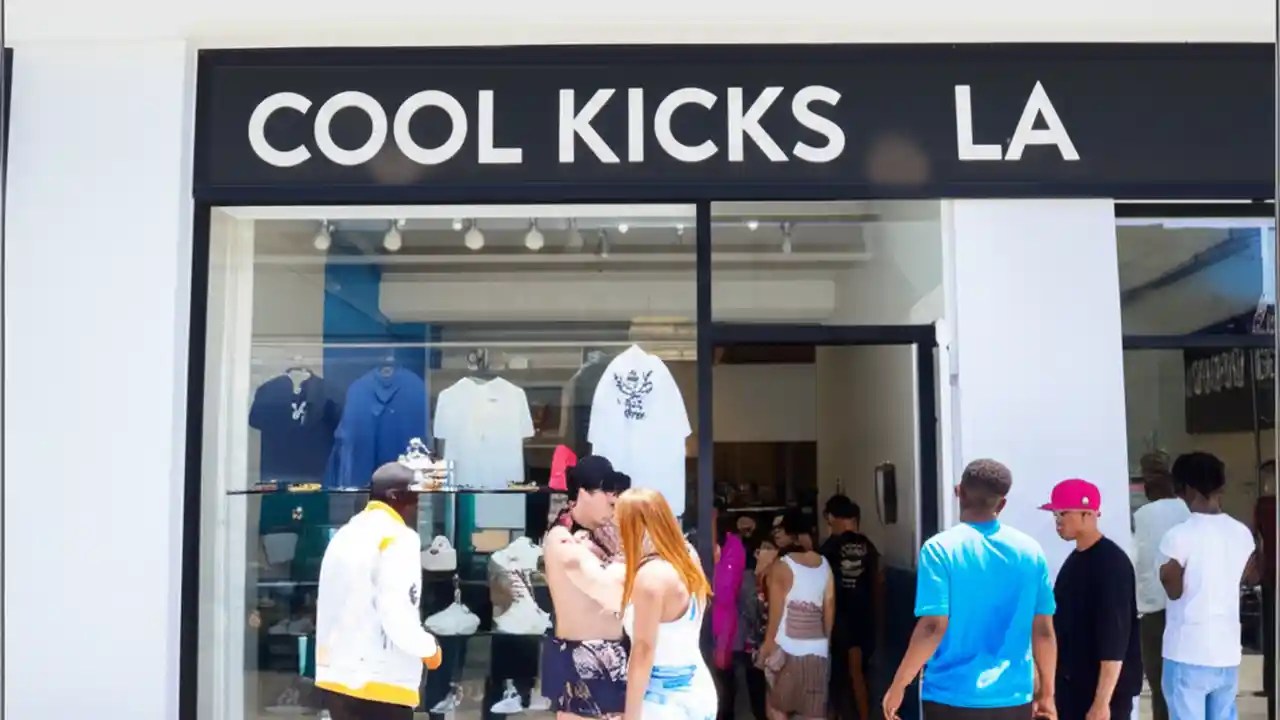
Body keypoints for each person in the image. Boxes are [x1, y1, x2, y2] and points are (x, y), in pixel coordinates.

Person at [883, 459, 1057, 720]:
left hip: (950, 697)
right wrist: (1047, 694)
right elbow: (1043, 631)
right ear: (1002, 504)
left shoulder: (939, 549)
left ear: (959, 492)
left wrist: (900, 684)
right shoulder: (1031, 552)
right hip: (1013, 699)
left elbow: (933, 626)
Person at [314, 461, 443, 720]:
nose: (418, 506)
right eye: (414, 497)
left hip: (336, 679)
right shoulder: (398, 537)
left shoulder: (345, 534)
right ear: (395, 496)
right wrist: (429, 649)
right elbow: (397, 613)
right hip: (381, 682)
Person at [1159, 452, 1258, 720]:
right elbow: (1249, 577)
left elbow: (1172, 589)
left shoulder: (1178, 536)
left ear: (1187, 489)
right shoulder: (1241, 533)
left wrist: (1164, 571)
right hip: (1227, 652)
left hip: (1187, 651)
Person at [1041, 478, 1142, 720]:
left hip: (1099, 696)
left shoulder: (1111, 564)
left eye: (1063, 513)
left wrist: (1101, 703)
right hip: (1072, 689)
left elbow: (1115, 639)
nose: (1057, 521)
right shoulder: (1075, 560)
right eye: (1055, 514)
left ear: (1088, 514)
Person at [542, 455, 632, 720]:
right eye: (608, 496)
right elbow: (608, 591)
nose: (613, 503)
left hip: (613, 655)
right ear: (584, 493)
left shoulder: (601, 536)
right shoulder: (562, 538)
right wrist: (625, 555)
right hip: (581, 656)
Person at [616, 487, 718, 720]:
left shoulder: (651, 578)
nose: (616, 535)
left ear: (637, 527)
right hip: (696, 689)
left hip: (663, 701)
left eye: (619, 526)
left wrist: (630, 716)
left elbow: (643, 651)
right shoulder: (687, 556)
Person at [760, 509, 835, 720]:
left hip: (786, 650)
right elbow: (829, 609)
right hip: (818, 651)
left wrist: (767, 647)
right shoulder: (824, 564)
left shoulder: (781, 566)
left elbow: (776, 614)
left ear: (789, 535)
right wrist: (825, 644)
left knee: (776, 707)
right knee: (814, 712)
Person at [1132, 452, 1189, 720]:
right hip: (1187, 609)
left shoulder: (1141, 515)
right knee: (1185, 685)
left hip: (1153, 610)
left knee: (1160, 686)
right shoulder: (1187, 511)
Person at [820, 494, 884, 720]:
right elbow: (878, 582)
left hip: (840, 618)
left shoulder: (829, 547)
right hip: (864, 618)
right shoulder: (868, 546)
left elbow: (823, 587)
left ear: (831, 518)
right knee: (859, 674)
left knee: (838, 676)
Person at [712, 499, 747, 720]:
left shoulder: (732, 546)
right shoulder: (694, 540)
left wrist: (715, 563)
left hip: (723, 622)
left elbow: (725, 592)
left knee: (722, 677)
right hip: (700, 621)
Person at [1253, 460, 1276, 720]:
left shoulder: (1265, 505)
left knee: (1271, 639)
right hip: (1270, 578)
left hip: (1271, 578)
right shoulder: (1265, 505)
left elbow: (1258, 541)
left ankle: (1271, 687)